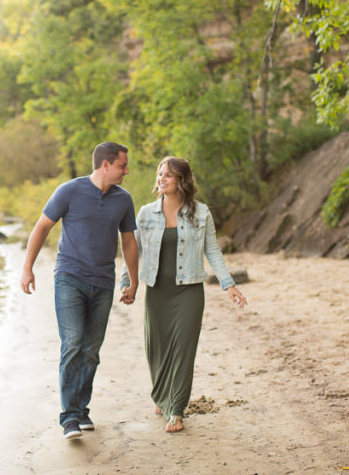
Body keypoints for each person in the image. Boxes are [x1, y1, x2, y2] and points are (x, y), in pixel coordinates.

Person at [20, 141, 139, 440]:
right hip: (69, 277)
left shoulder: (123, 200)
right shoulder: (69, 191)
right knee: (73, 343)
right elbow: (42, 227)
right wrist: (27, 267)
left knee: (91, 350)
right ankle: (69, 416)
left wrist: (132, 281)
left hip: (103, 282)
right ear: (105, 165)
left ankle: (81, 410)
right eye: (123, 165)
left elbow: (128, 242)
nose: (127, 171)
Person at [119, 156, 247, 433]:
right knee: (157, 349)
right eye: (159, 174)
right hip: (157, 291)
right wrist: (125, 283)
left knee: (183, 350)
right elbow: (133, 251)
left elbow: (212, 250)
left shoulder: (201, 213)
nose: (161, 179)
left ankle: (176, 410)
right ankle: (161, 394)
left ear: (182, 181)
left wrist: (229, 284)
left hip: (188, 291)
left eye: (168, 175)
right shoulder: (145, 214)